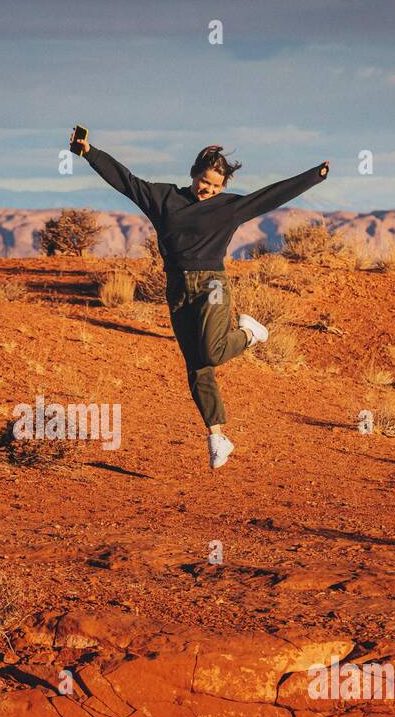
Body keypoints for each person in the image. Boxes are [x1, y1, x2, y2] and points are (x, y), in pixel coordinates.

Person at [72, 130, 329, 468]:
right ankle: (217, 436)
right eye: (204, 181)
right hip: (177, 288)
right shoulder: (163, 198)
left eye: (215, 186)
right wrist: (89, 152)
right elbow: (126, 181)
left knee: (212, 351)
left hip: (213, 284)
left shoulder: (228, 206)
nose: (207, 189)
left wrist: (314, 176)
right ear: (194, 174)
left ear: (222, 188)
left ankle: (251, 334)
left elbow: (271, 196)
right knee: (197, 366)